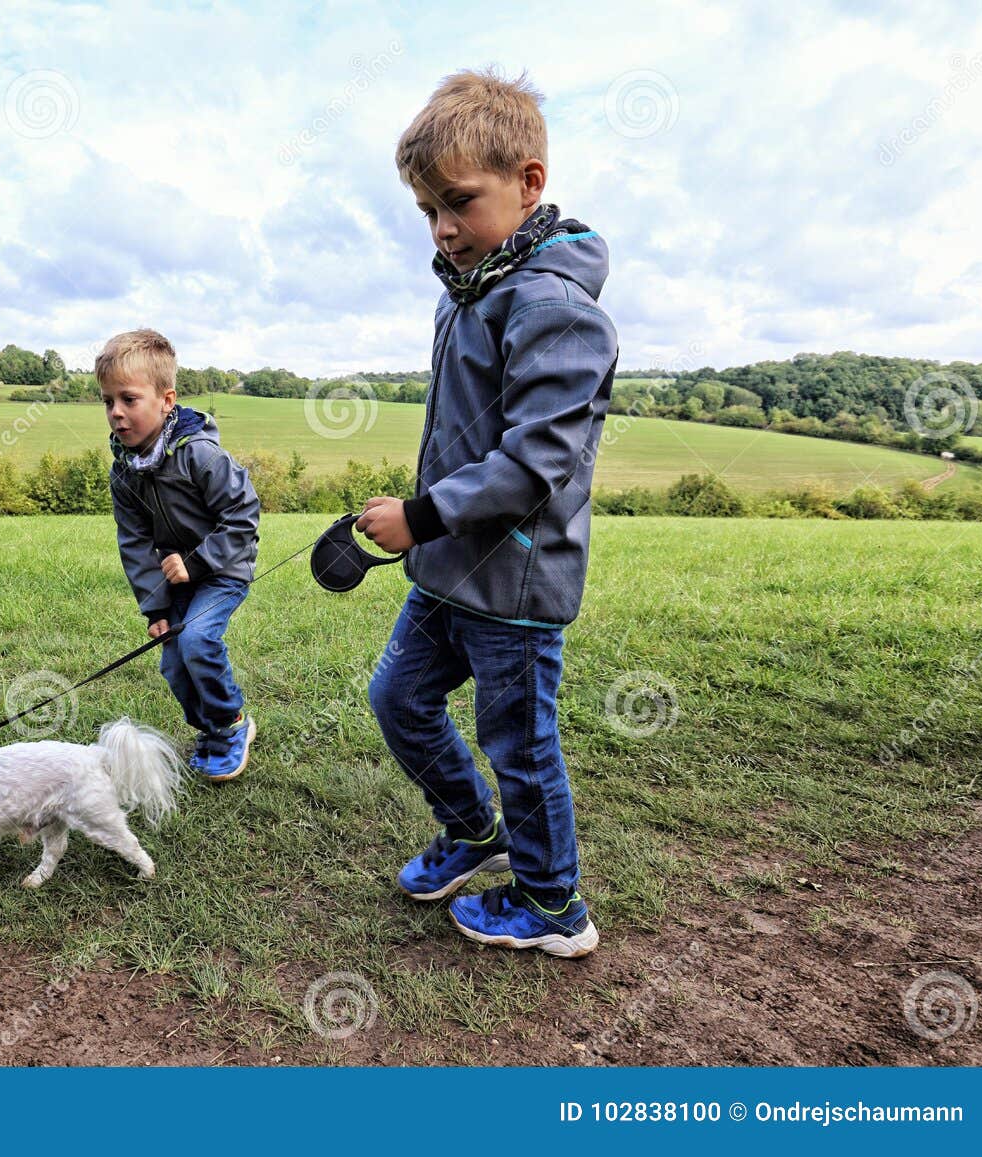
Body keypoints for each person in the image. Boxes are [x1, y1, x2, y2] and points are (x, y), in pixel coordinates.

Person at [358, 69, 618, 957]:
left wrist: (422, 514)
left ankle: (553, 905)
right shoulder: (464, 289)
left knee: (520, 743)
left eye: (460, 202)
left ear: (529, 183)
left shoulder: (554, 306)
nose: (442, 228)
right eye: (428, 209)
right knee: (397, 697)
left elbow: (538, 462)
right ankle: (473, 831)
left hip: (512, 577)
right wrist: (424, 525)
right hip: (444, 571)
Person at [99, 328, 260, 781]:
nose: (116, 413)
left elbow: (244, 515)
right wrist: (155, 605)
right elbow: (133, 540)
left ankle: (232, 725)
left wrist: (199, 561)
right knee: (173, 661)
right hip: (176, 578)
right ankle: (208, 729)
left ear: (166, 400)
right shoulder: (125, 471)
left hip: (223, 568)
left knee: (198, 641)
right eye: (107, 401)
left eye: (129, 399)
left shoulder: (201, 455)